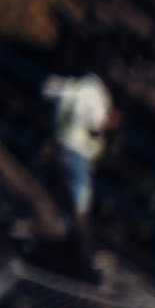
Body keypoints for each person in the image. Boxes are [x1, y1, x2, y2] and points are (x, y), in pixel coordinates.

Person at [42, 74, 111, 220]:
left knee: (51, 190)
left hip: (58, 146)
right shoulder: (97, 95)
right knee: (79, 202)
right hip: (78, 151)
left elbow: (47, 91)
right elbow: (96, 125)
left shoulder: (71, 86)